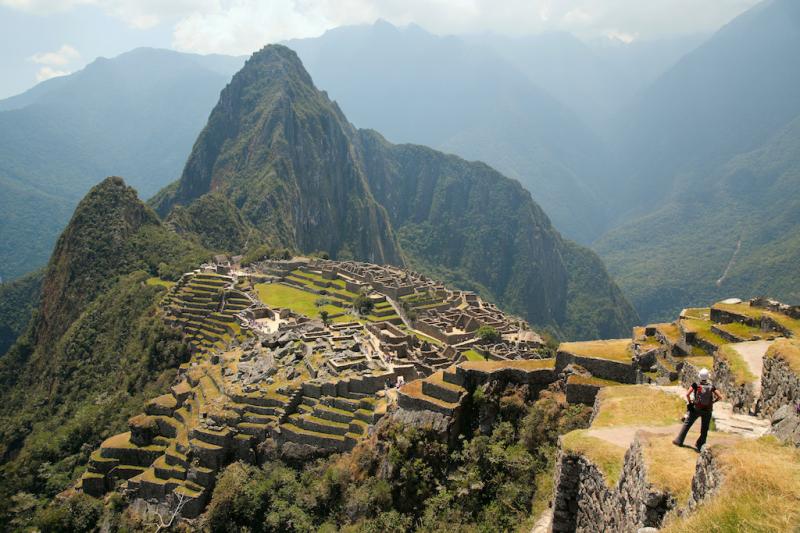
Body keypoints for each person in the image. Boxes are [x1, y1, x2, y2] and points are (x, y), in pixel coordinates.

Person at [673, 368, 722, 450]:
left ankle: (679, 440)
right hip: (707, 410)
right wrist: (713, 402)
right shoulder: (711, 386)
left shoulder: (696, 385)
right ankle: (700, 445)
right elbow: (720, 397)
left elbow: (687, 394)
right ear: (707, 377)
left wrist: (690, 403)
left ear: (700, 377)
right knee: (704, 429)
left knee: (687, 424)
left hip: (696, 408)